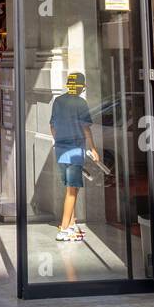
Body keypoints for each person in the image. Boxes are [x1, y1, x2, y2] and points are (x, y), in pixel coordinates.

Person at [50, 70, 101, 243]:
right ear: (81, 86)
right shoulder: (80, 103)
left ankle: (71, 223)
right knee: (72, 190)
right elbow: (86, 129)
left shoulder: (58, 101)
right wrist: (93, 148)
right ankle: (64, 229)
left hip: (61, 150)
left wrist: (58, 141)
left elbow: (52, 125)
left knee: (70, 188)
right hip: (74, 151)